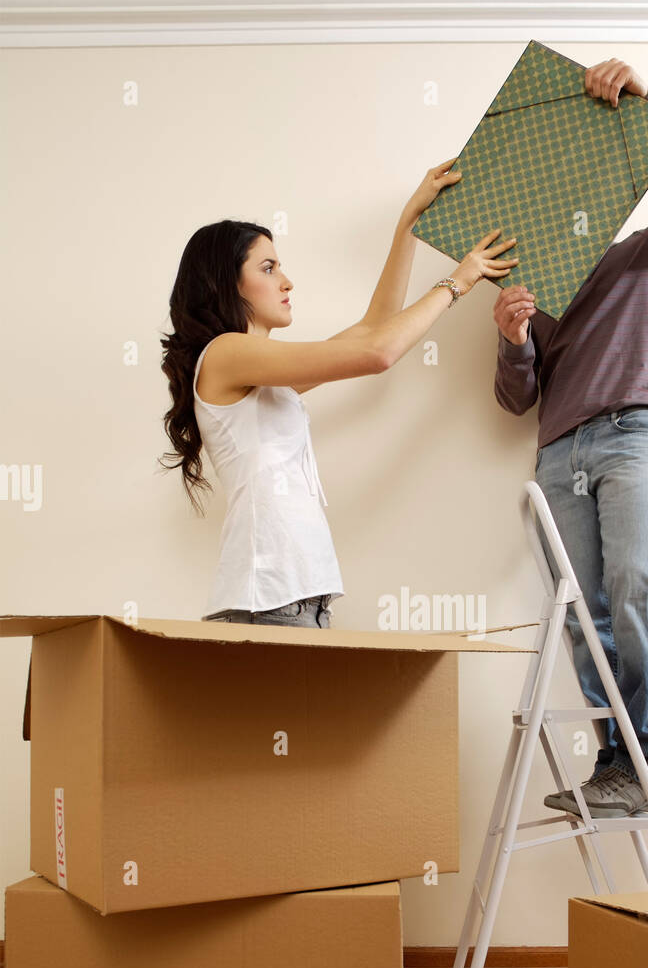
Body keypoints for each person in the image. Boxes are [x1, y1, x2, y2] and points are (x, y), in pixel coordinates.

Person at [493, 58, 648, 819]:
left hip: (634, 433)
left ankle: (646, 758)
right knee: (580, 610)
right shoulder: (539, 290)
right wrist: (513, 338)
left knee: (635, 583)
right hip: (558, 451)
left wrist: (646, 102)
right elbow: (516, 398)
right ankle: (614, 764)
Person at [159, 162, 519, 628]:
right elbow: (379, 352)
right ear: (226, 284)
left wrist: (409, 221)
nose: (287, 282)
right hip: (269, 602)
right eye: (268, 268)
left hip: (298, 602)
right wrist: (458, 282)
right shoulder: (226, 355)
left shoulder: (263, 374)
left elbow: (373, 328)